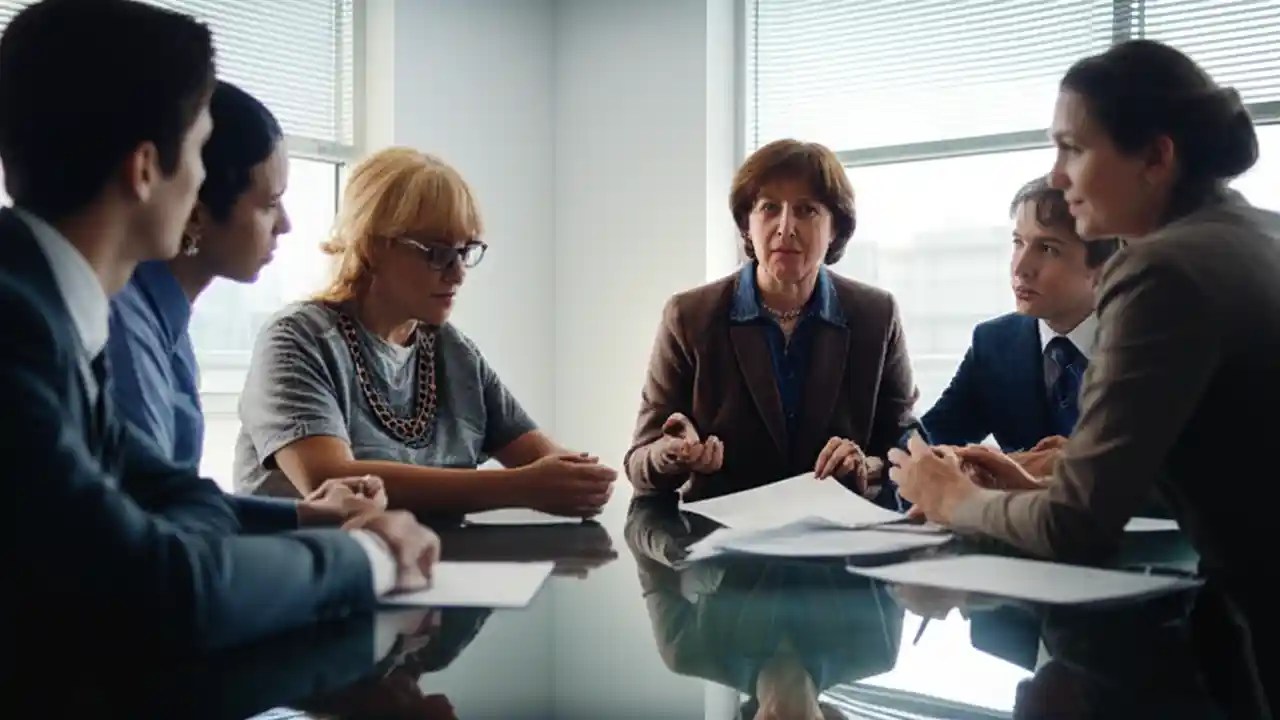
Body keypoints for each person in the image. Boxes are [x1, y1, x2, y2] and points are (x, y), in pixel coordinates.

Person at [0, 0, 438, 655]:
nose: (205, 180)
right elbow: (158, 582)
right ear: (145, 169)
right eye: (202, 151)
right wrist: (366, 560)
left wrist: (303, 519)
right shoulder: (18, 324)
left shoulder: (50, 303)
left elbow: (152, 489)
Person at [888, 39, 1279, 715]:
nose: (1058, 177)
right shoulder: (1258, 233)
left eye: (1072, 148)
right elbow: (1229, 447)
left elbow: (1075, 527)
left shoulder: (1159, 269)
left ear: (1156, 158)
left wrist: (951, 497)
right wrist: (1039, 481)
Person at [234, 147, 616, 517]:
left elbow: (545, 461)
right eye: (436, 252)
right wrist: (520, 487)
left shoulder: (453, 350)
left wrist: (582, 480)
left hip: (421, 569)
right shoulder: (297, 340)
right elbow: (330, 480)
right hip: (306, 572)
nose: (458, 273)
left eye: (465, 251)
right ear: (372, 246)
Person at [107, 80, 382, 531]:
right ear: (196, 210)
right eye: (270, 203)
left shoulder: (164, 323)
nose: (286, 224)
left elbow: (172, 505)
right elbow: (146, 529)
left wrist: (305, 515)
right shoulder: (125, 329)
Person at [625, 139, 919, 503]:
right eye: (768, 208)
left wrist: (866, 465)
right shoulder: (689, 316)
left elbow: (906, 445)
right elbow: (639, 460)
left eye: (806, 210)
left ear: (836, 230)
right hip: (718, 544)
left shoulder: (876, 315)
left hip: (836, 541)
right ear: (747, 224)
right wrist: (670, 454)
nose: (785, 227)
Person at [922, 177, 1122, 453]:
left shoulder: (1148, 345)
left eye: (1047, 249)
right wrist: (878, 463)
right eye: (1018, 243)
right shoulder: (995, 342)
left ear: (1103, 265)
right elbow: (934, 434)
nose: (1020, 268)